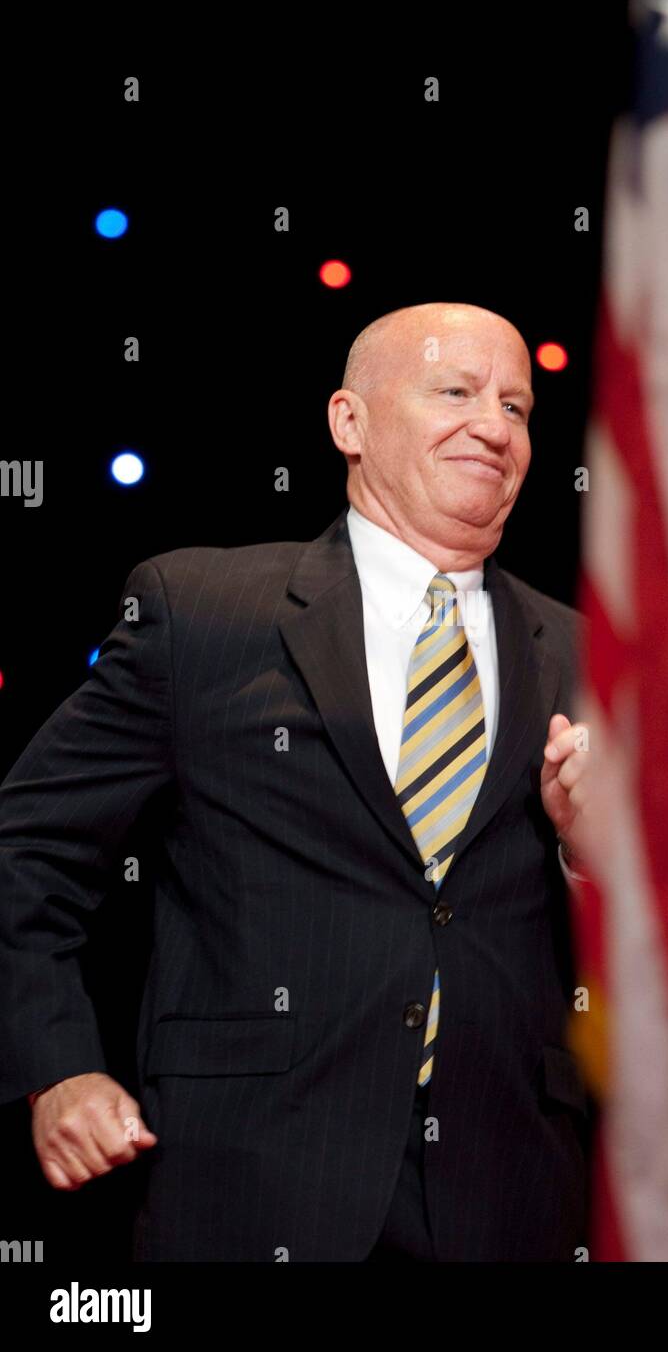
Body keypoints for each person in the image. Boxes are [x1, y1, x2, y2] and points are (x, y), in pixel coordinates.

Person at [0, 301, 591, 1261]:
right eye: (455, 390)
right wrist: (56, 1068)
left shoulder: (590, 652)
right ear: (348, 423)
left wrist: (592, 853)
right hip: (252, 1186)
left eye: (518, 407)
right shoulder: (202, 612)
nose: (495, 424)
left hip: (513, 1196)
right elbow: (25, 848)